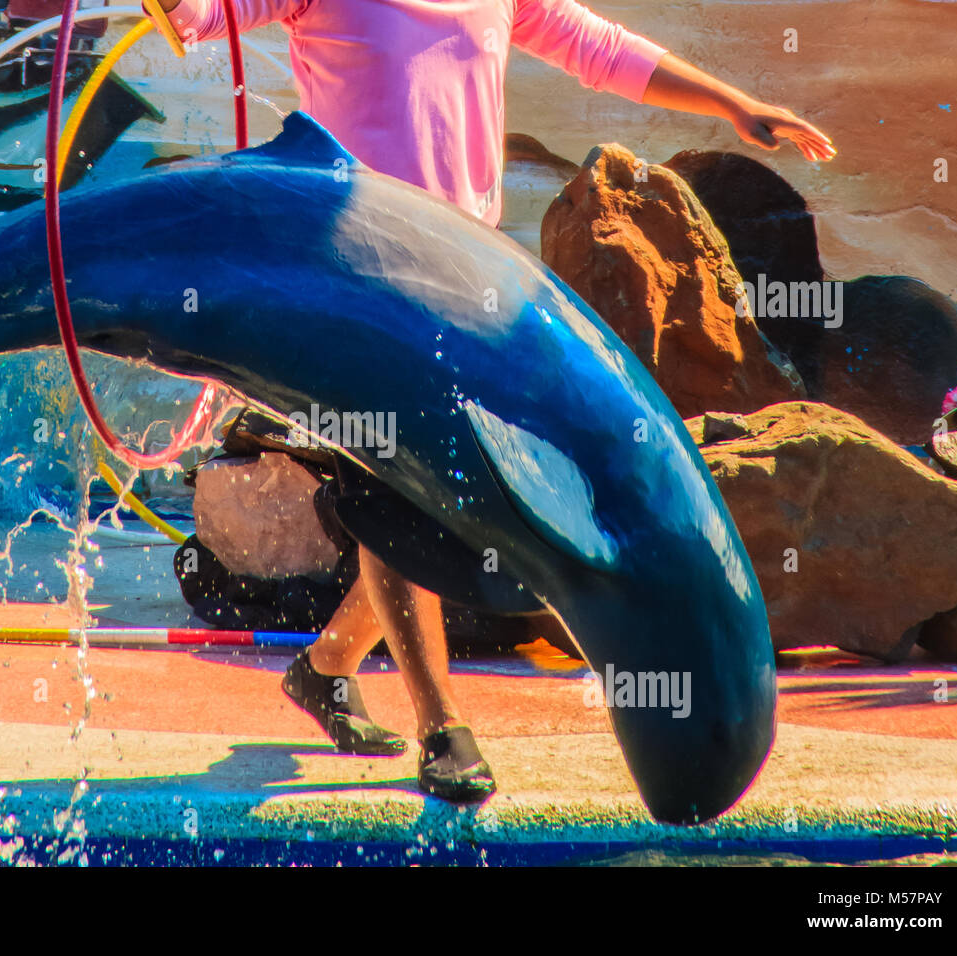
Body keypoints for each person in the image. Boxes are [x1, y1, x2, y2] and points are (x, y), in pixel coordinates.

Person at [148, 0, 834, 802]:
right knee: (402, 485)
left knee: (454, 502)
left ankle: (326, 667)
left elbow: (599, 48)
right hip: (353, 270)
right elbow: (201, 15)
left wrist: (733, 104)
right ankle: (443, 727)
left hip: (465, 274)